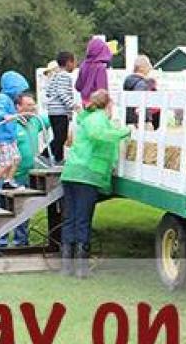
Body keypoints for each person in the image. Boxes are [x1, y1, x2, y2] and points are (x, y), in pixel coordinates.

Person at [59, 89, 131, 278]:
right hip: (87, 174)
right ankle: (81, 267)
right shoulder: (98, 118)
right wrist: (124, 132)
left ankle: (67, 266)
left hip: (71, 173)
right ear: (108, 105)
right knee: (82, 219)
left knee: (70, 218)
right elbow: (98, 134)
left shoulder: (86, 117)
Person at [0, 93, 49, 247]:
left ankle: (21, 241)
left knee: (24, 209)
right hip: (6, 176)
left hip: (26, 176)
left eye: (33, 104)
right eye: (29, 105)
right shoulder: (10, 124)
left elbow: (54, 120)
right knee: (2, 209)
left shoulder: (35, 121)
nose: (33, 108)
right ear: (18, 107)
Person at [0, 71, 30, 201]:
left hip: (9, 136)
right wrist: (5, 116)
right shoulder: (2, 98)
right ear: (12, 88)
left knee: (16, 158)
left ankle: (8, 181)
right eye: (19, 90)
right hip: (0, 137)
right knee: (6, 162)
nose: (20, 93)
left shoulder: (10, 99)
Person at [45, 51, 78, 163]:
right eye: (74, 62)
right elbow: (62, 93)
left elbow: (49, 92)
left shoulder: (55, 76)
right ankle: (44, 155)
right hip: (60, 111)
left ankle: (59, 159)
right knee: (61, 137)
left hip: (52, 111)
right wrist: (73, 106)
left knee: (58, 136)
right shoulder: (65, 76)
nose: (75, 65)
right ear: (69, 62)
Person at [122, 55, 163, 128]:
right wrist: (147, 120)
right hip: (141, 121)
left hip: (129, 120)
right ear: (142, 68)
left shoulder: (128, 81)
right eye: (148, 65)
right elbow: (141, 104)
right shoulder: (142, 84)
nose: (150, 68)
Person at [75, 36, 114, 106]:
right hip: (97, 104)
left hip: (85, 103)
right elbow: (102, 89)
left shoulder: (83, 65)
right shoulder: (100, 67)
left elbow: (78, 86)